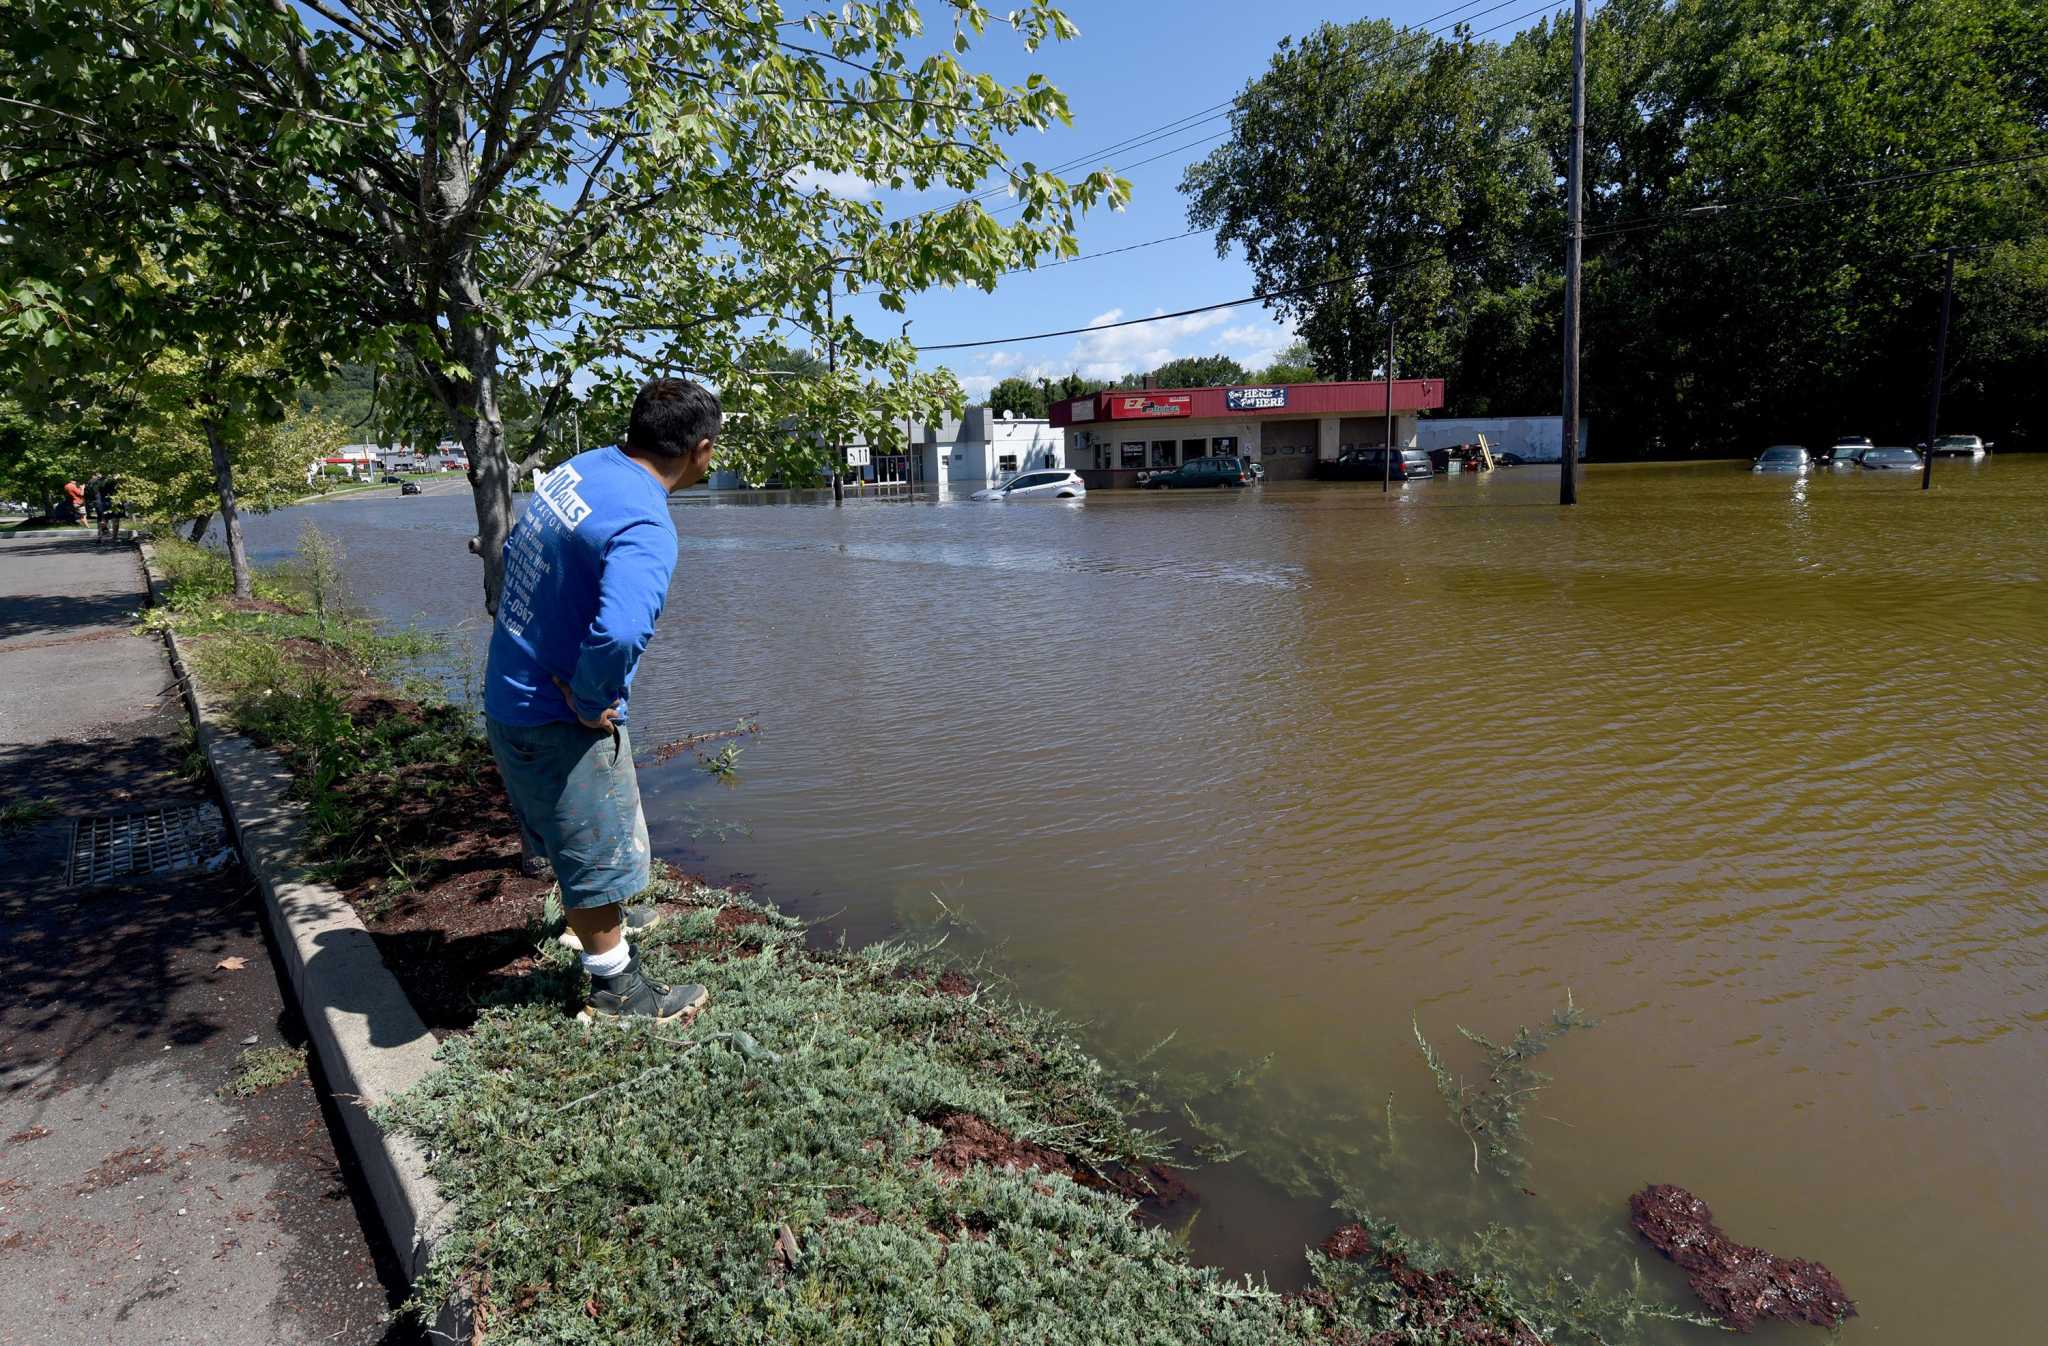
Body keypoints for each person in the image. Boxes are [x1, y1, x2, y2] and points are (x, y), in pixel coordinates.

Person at [482, 377, 721, 1023]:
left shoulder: (580, 470)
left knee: (573, 833)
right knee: (592, 843)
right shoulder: (646, 522)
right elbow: (619, 630)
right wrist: (590, 701)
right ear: (700, 449)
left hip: (510, 686)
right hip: (556, 716)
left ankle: (597, 915)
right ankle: (619, 991)